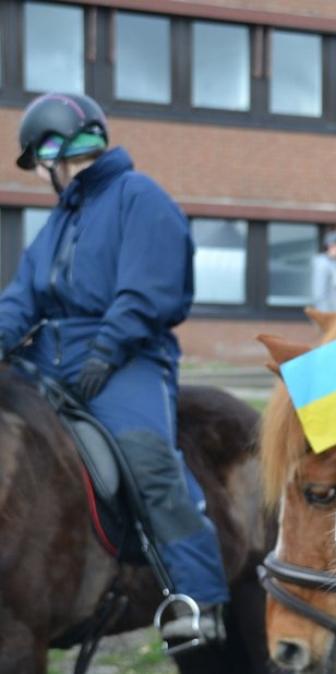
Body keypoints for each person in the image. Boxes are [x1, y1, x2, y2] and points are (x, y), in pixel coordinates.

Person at [0, 93, 228, 645]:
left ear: (53, 155)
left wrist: (106, 348)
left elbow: (150, 287)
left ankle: (198, 596)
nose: (44, 177)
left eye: (41, 165)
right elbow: (21, 299)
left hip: (127, 359)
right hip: (47, 360)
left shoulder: (139, 197)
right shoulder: (58, 223)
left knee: (148, 461)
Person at [311, 230, 336, 312]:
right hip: (329, 316)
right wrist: (325, 317)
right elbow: (320, 296)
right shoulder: (322, 265)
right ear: (332, 246)